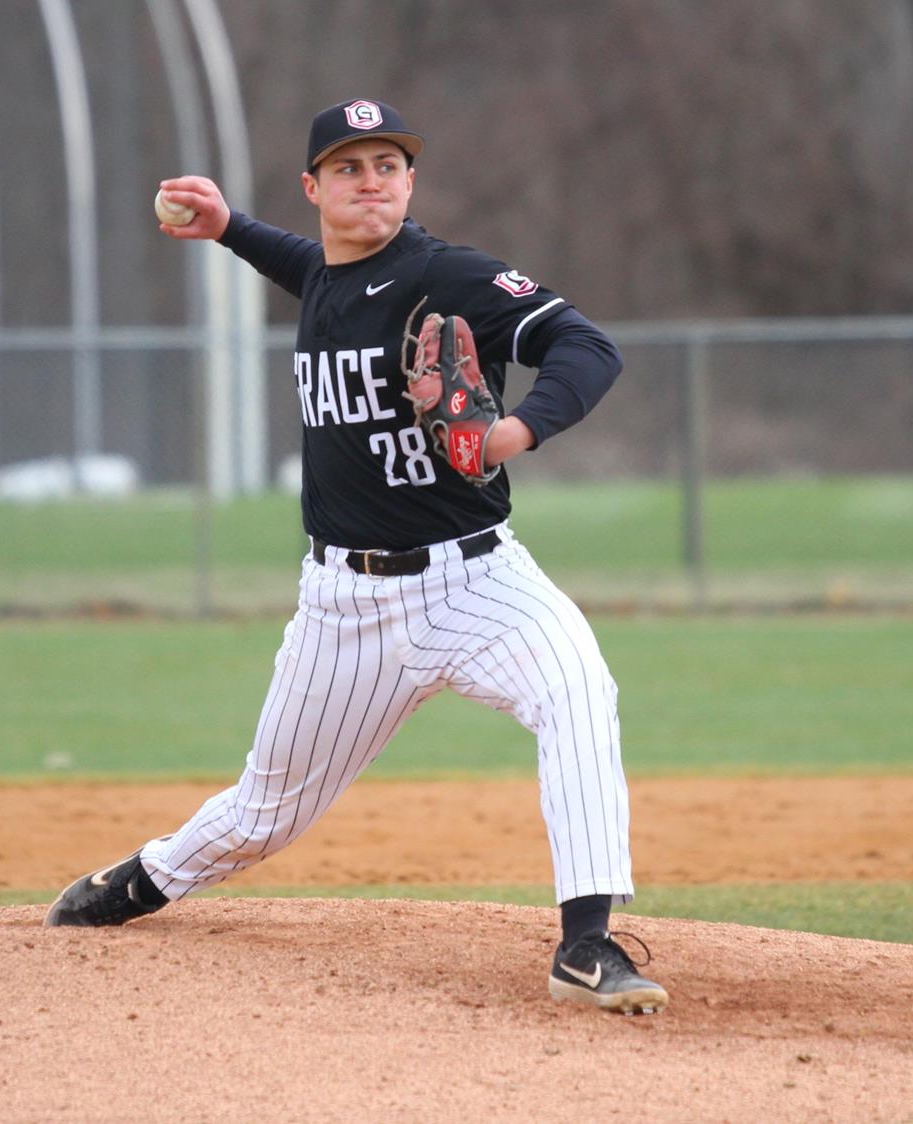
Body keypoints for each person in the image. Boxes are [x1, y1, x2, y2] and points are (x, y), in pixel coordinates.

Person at [46, 99, 665, 1015]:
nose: (370, 181)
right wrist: (227, 229)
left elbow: (586, 345)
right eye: (348, 167)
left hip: (478, 579)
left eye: (387, 165)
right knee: (268, 813)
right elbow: (309, 267)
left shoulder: (449, 277)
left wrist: (512, 432)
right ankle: (148, 877)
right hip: (345, 607)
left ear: (410, 182)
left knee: (579, 691)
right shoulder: (331, 275)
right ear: (315, 188)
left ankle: (586, 944)